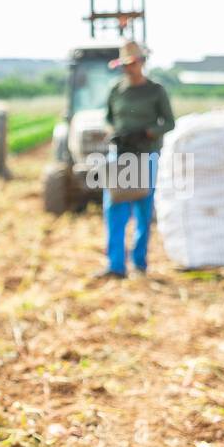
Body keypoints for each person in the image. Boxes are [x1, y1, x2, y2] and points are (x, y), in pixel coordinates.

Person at [99, 40, 174, 279]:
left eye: (132, 64)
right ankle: (116, 266)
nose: (127, 69)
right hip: (121, 154)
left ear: (141, 63)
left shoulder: (155, 90)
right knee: (115, 207)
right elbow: (108, 118)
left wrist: (147, 133)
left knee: (143, 210)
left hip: (145, 154)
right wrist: (115, 133)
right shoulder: (116, 90)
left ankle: (139, 264)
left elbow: (169, 122)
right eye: (124, 65)